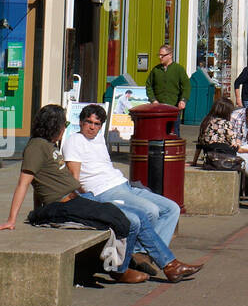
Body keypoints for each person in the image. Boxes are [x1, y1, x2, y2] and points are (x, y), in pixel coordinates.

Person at [0, 105, 200, 284]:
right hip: (67, 204)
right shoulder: (36, 147)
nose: (64, 129)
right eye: (63, 124)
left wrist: (39, 208)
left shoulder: (48, 146)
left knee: (138, 218)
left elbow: (44, 184)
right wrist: (12, 219)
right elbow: (24, 183)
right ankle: (120, 271)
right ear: (52, 125)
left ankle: (170, 265)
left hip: (79, 199)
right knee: (133, 220)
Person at [61, 104, 201, 281]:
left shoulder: (98, 139)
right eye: (88, 122)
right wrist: (81, 198)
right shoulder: (74, 141)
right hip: (104, 191)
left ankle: (141, 254)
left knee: (171, 208)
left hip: (123, 185)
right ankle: (165, 262)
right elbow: (74, 177)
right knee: (150, 210)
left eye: (96, 124)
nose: (92, 127)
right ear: (80, 122)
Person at [145, 44, 189, 113]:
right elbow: (148, 85)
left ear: (170, 55)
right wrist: (153, 100)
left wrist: (183, 100)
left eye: (162, 55)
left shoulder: (179, 69)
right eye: (159, 55)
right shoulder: (156, 70)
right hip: (157, 109)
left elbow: (186, 87)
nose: (160, 57)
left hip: (174, 108)